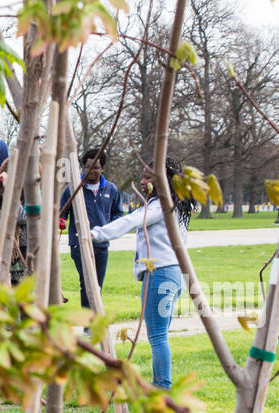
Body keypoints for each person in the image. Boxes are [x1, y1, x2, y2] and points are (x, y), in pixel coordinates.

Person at [90, 158, 194, 390]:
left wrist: (96, 234)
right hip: (175, 274)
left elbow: (130, 221)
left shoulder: (159, 206)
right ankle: (162, 384)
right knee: (161, 334)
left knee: (157, 335)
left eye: (148, 177)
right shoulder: (178, 205)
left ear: (161, 181)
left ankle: (162, 386)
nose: (142, 181)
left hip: (159, 274)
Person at [60, 147, 124, 308]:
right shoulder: (74, 189)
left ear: (101, 168)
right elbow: (62, 211)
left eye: (95, 168)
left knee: (97, 284)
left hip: (101, 244)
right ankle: (87, 324)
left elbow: (118, 213)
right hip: (79, 244)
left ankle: (96, 319)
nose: (91, 171)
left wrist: (109, 229)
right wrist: (61, 220)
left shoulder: (111, 189)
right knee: (87, 283)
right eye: (87, 167)